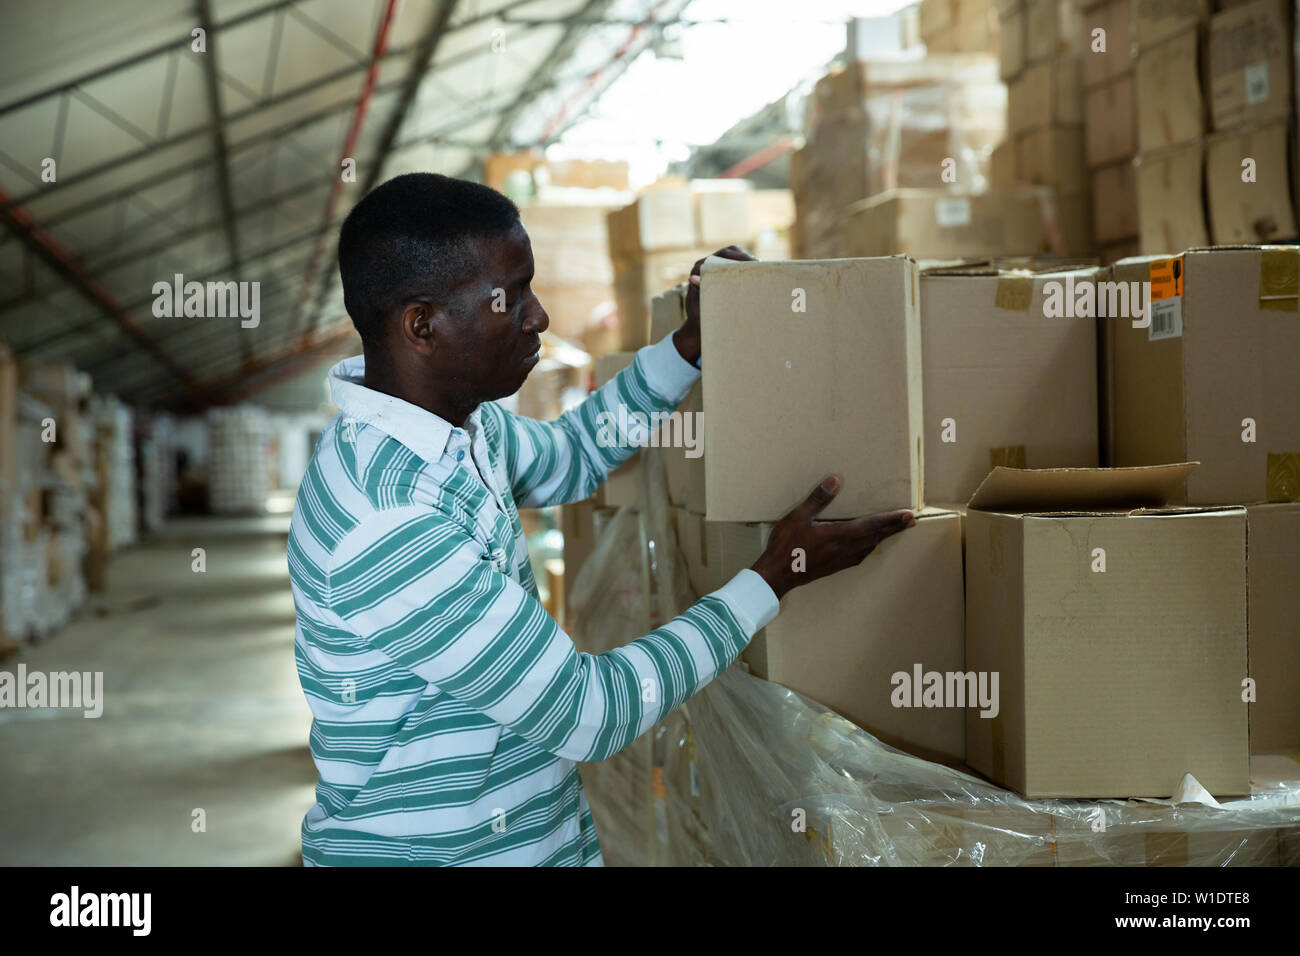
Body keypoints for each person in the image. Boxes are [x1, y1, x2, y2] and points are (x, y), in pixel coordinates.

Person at [287, 172, 916, 866]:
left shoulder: (458, 431)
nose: (538, 318)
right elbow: (588, 714)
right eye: (511, 296)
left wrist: (689, 345)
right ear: (423, 325)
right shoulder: (387, 523)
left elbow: (575, 453)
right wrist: (769, 580)